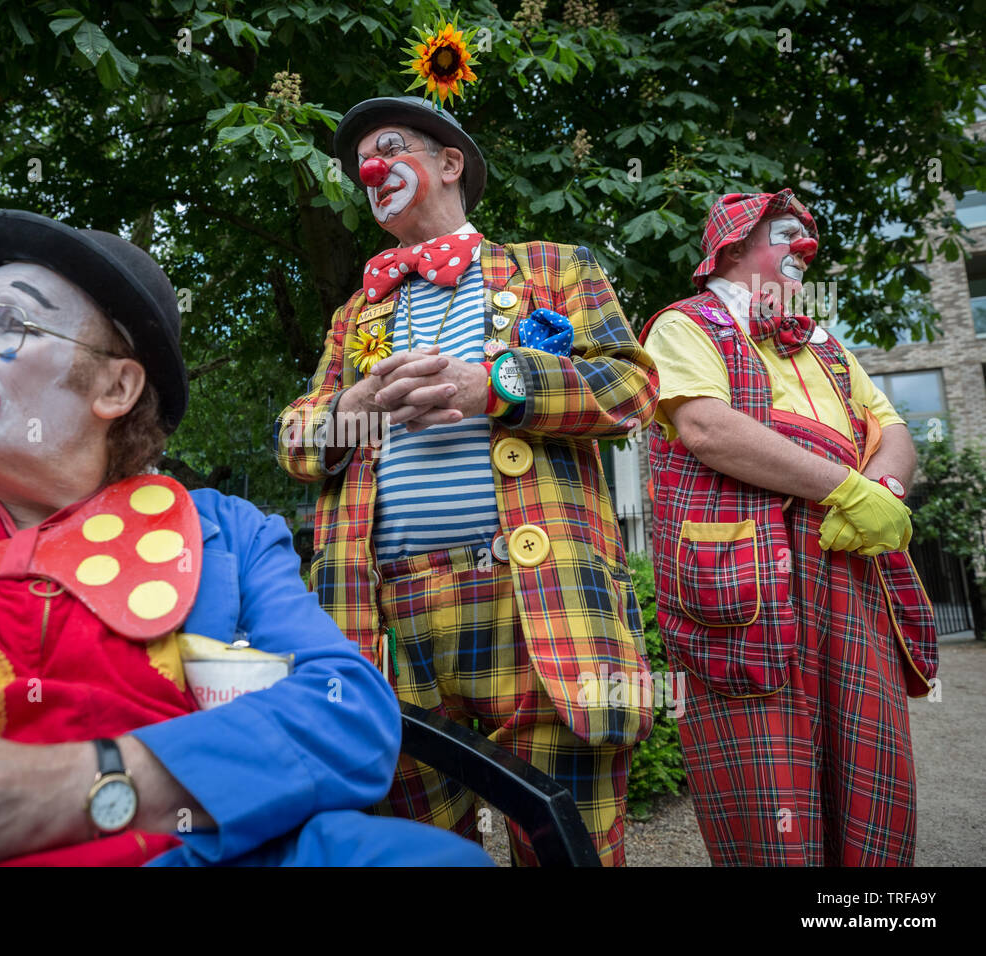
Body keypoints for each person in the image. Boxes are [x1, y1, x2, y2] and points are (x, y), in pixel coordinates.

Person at [0, 209, 491, 867]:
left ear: (116, 385)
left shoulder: (227, 538)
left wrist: (73, 785)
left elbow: (347, 715)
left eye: (8, 324)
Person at [274, 96, 658, 866]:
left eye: (388, 149)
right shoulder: (357, 314)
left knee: (566, 843)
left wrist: (502, 387)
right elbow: (296, 440)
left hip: (537, 603)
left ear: (450, 162)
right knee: (414, 852)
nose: (370, 171)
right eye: (360, 168)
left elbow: (631, 391)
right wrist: (353, 408)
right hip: (387, 616)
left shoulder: (555, 267)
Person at [638, 189, 938, 865]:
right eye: (784, 235)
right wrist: (846, 487)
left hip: (848, 564)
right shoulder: (684, 326)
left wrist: (882, 492)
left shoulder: (828, 343)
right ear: (734, 246)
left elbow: (890, 427)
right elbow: (707, 427)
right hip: (747, 586)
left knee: (870, 756)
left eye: (807, 237)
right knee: (768, 776)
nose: (804, 248)